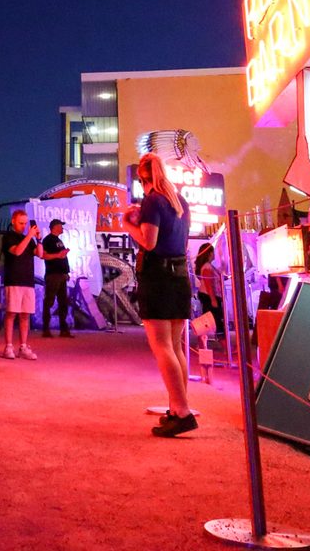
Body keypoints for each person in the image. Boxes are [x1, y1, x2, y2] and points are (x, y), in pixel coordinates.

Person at [120, 153, 196, 438]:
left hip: (159, 278)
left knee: (162, 345)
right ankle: (178, 408)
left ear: (143, 179)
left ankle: (183, 411)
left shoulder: (152, 200)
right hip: (179, 276)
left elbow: (149, 242)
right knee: (176, 347)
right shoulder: (180, 201)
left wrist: (127, 225)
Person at [0, 209, 40, 360]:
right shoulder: (8, 237)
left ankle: (23, 345)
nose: (24, 226)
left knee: (25, 315)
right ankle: (8, 346)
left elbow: (40, 253)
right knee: (11, 313)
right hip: (14, 280)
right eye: (21, 223)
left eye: (25, 223)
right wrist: (29, 236)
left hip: (28, 281)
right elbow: (17, 251)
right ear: (13, 221)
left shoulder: (29, 239)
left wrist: (38, 239)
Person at [39, 218, 74, 338]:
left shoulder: (59, 240)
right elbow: (43, 255)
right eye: (60, 225)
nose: (62, 227)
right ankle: (46, 329)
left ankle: (63, 329)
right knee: (49, 301)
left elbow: (61, 257)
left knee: (63, 302)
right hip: (53, 275)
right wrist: (58, 255)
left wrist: (66, 272)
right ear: (55, 227)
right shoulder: (48, 240)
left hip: (61, 275)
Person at [195, 242, 227, 343]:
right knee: (215, 320)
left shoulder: (207, 266)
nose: (214, 255)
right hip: (209, 296)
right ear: (209, 253)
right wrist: (213, 299)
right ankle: (224, 344)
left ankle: (203, 343)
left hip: (207, 295)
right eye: (213, 252)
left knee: (208, 320)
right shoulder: (207, 267)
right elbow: (209, 283)